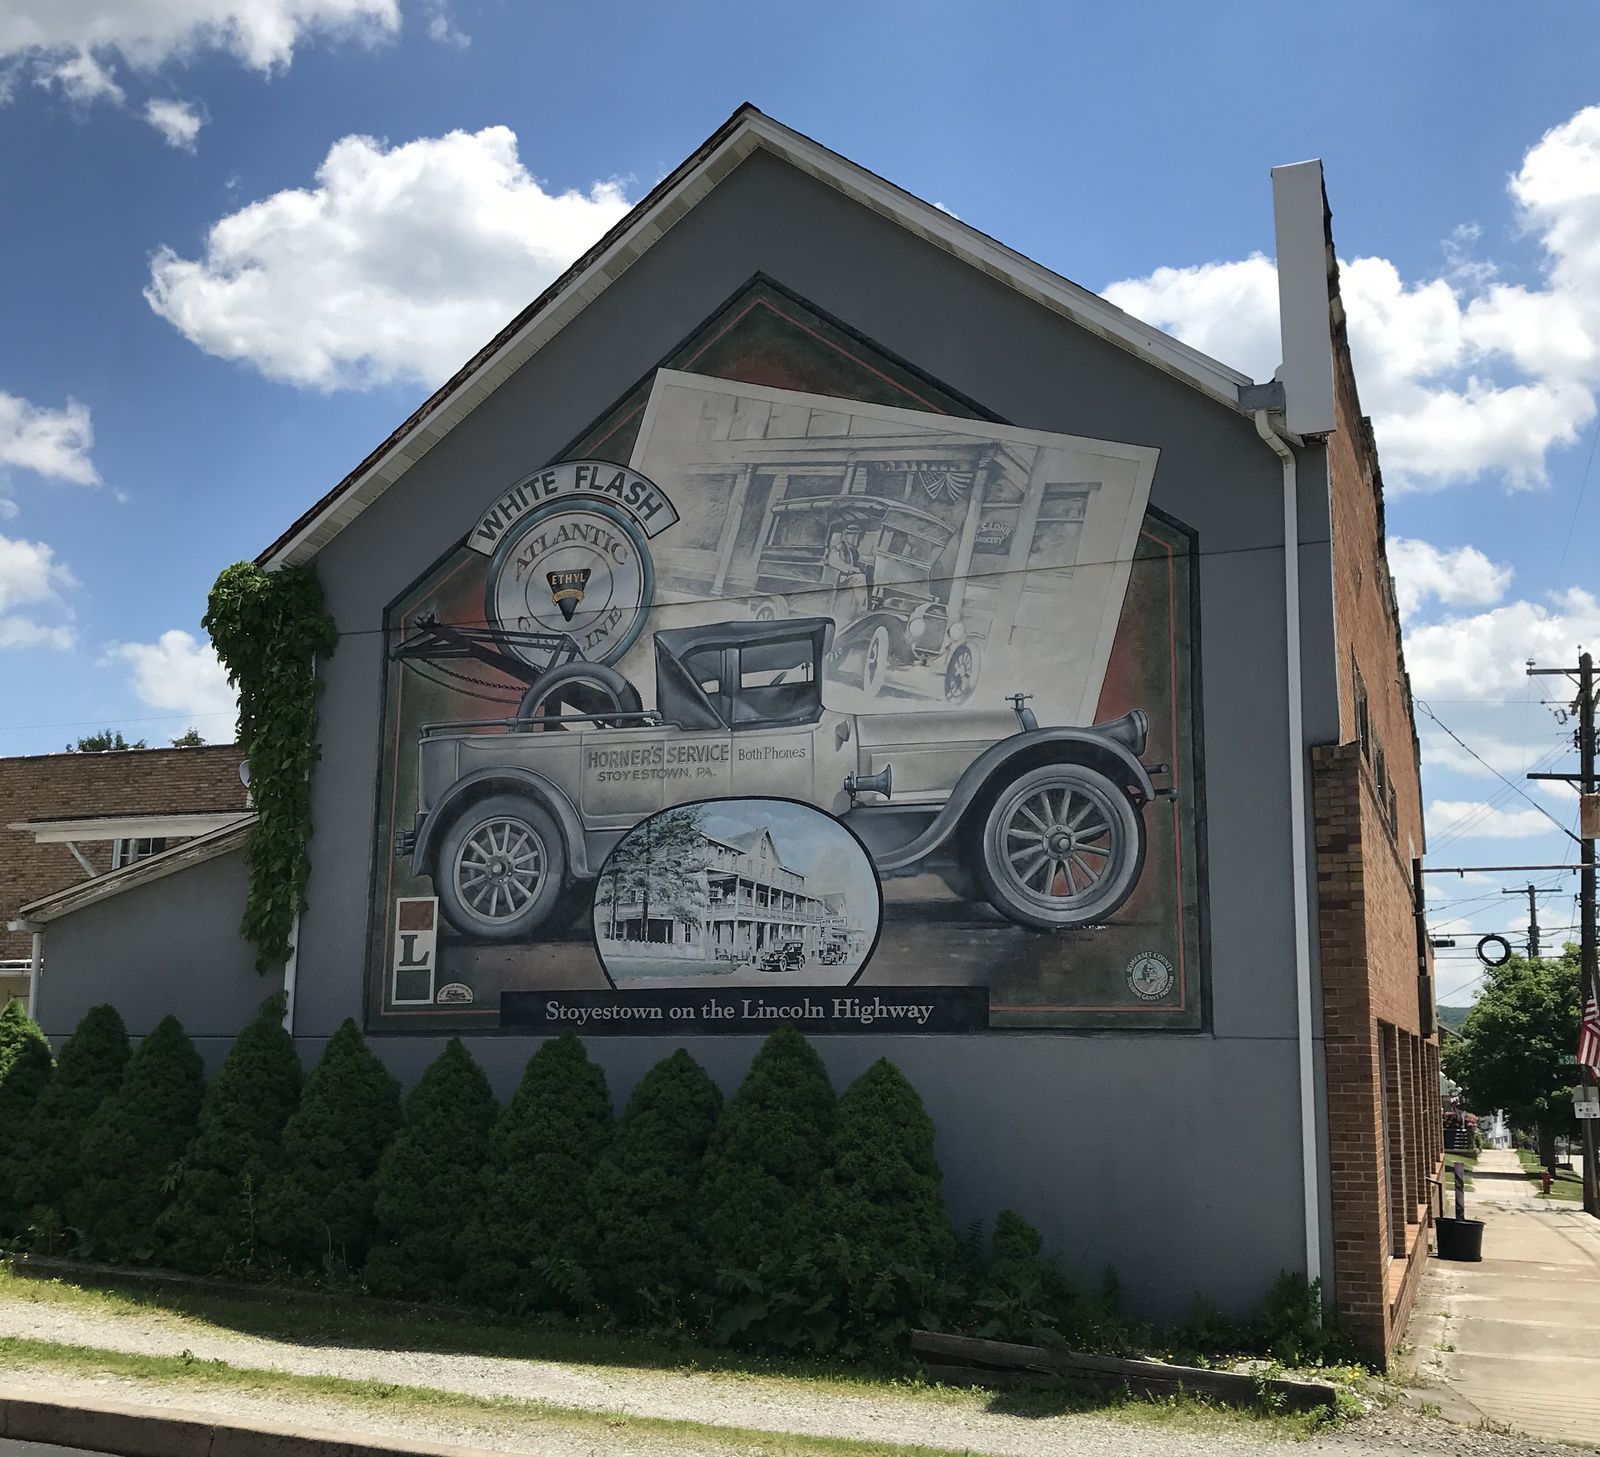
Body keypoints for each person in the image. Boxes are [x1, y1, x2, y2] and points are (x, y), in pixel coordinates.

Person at [825, 523, 870, 623]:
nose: (854, 538)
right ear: (846, 535)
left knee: (862, 577)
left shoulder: (854, 550)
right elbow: (833, 560)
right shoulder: (839, 547)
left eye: (856, 535)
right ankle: (862, 611)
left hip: (848, 578)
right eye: (852, 535)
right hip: (840, 579)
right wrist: (851, 569)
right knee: (861, 579)